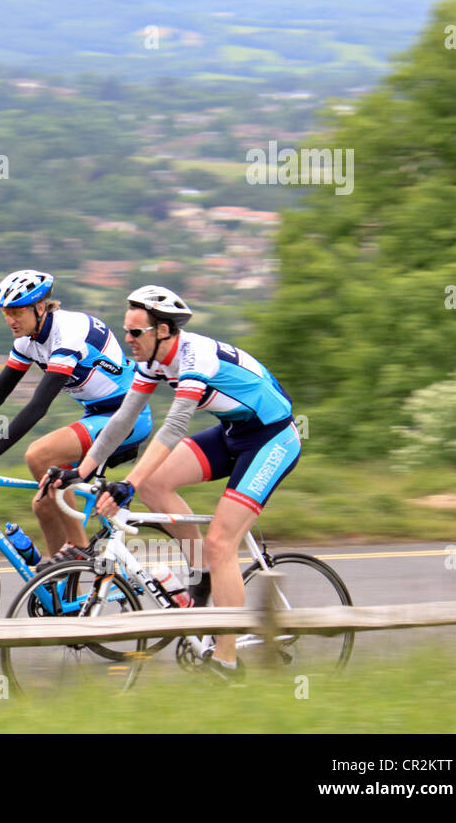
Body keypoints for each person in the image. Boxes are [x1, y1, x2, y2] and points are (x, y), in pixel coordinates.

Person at [66, 285, 300, 681]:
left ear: (164, 332)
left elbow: (174, 426)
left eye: (135, 332)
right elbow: (122, 420)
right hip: (234, 432)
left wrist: (127, 485)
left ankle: (226, 661)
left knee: (220, 541)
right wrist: (82, 471)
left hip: (273, 437)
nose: (127, 340)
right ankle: (203, 573)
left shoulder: (194, 357)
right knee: (157, 483)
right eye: (126, 330)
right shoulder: (153, 362)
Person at [0, 270, 152, 564]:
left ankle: (81, 546)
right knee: (44, 505)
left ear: (40, 307)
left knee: (39, 456)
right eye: (5, 313)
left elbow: (38, 405)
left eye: (17, 311)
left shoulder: (69, 332)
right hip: (97, 414)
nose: (11, 320)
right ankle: (59, 585)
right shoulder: (28, 340)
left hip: (127, 417)